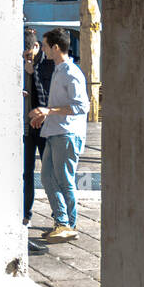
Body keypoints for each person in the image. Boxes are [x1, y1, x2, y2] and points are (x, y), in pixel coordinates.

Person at [29, 28, 88, 241]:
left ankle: (68, 224)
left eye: (45, 46)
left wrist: (48, 111)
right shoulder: (58, 70)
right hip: (55, 131)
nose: (42, 49)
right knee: (47, 177)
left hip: (68, 133)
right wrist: (45, 116)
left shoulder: (71, 72)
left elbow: (81, 106)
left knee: (64, 179)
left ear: (55, 47)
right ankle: (62, 222)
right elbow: (59, 104)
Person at [22, 27, 55, 225]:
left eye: (28, 54)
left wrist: (32, 73)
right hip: (27, 128)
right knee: (26, 172)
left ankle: (58, 216)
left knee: (48, 172)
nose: (26, 58)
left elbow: (47, 97)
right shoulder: (20, 64)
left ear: (36, 47)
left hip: (44, 127)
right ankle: (26, 213)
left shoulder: (48, 65)